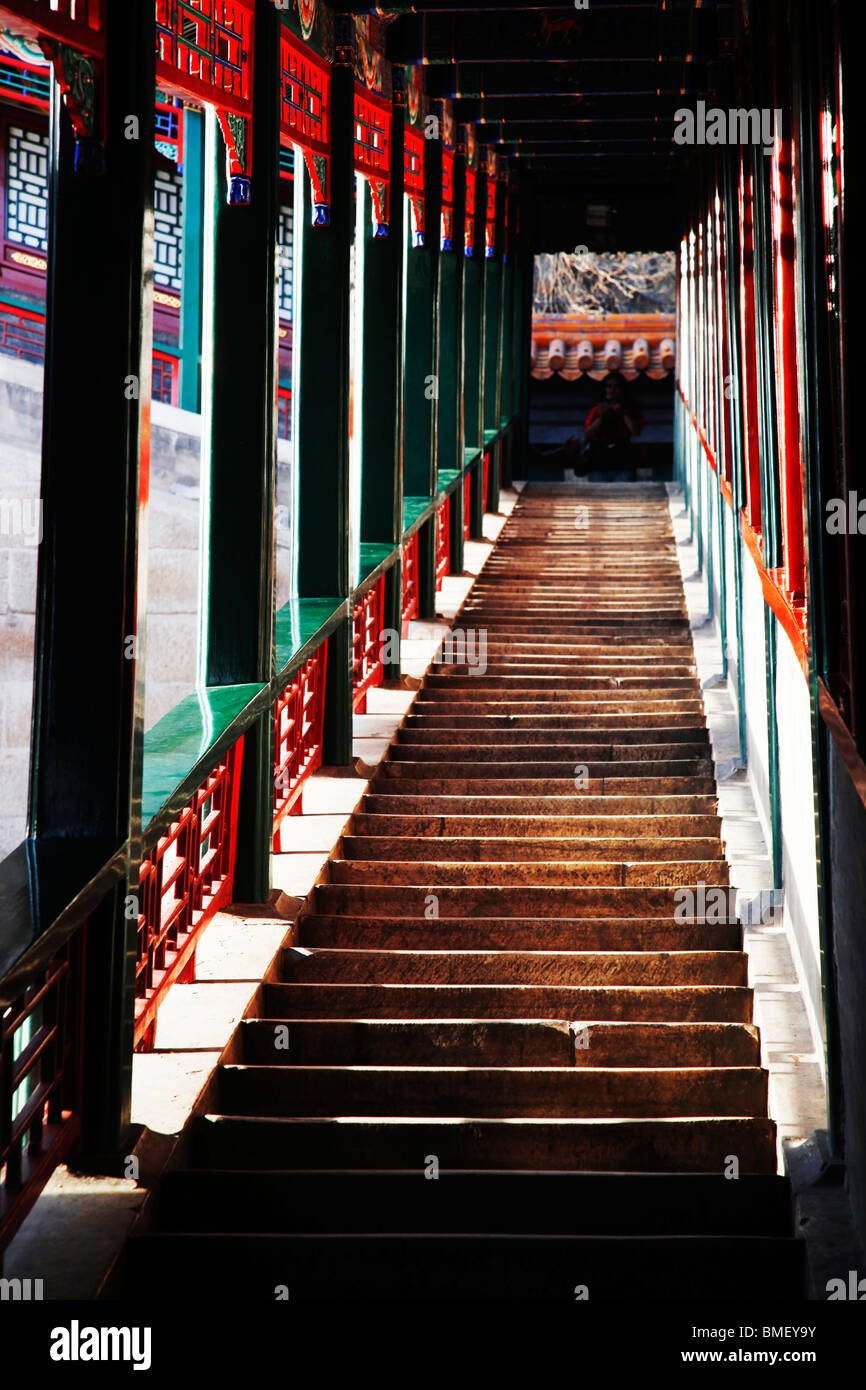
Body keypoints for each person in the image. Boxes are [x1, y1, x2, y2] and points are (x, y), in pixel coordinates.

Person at [577, 373, 644, 477]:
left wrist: (624, 413)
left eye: (616, 387)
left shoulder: (630, 409)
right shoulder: (597, 409)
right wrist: (600, 417)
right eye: (609, 386)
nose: (612, 390)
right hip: (599, 462)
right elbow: (587, 434)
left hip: (622, 462)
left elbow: (636, 431)